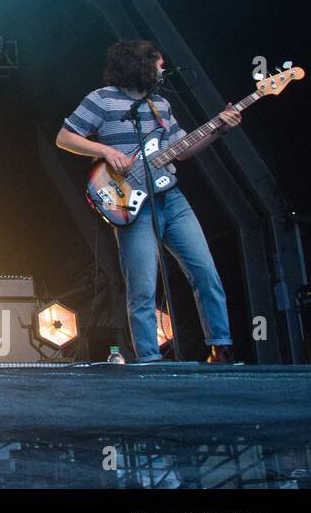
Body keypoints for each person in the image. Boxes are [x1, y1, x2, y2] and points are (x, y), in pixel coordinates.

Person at [56, 39, 239, 363]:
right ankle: (149, 360)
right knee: (142, 286)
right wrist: (107, 151)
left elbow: (181, 150)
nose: (162, 70)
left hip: (171, 198)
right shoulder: (102, 100)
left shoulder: (160, 105)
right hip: (131, 203)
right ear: (139, 66)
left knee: (204, 271)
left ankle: (220, 347)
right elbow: (65, 137)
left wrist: (218, 129)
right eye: (158, 64)